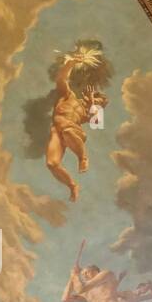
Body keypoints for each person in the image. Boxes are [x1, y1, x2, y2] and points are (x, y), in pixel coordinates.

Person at [46, 51, 108, 201]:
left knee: (68, 132)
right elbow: (61, 79)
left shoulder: (87, 114)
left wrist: (93, 103)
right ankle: (73, 185)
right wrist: (71, 63)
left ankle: (82, 158)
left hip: (73, 131)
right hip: (57, 131)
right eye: (98, 102)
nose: (96, 105)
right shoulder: (70, 96)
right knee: (52, 163)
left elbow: (96, 123)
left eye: (99, 105)